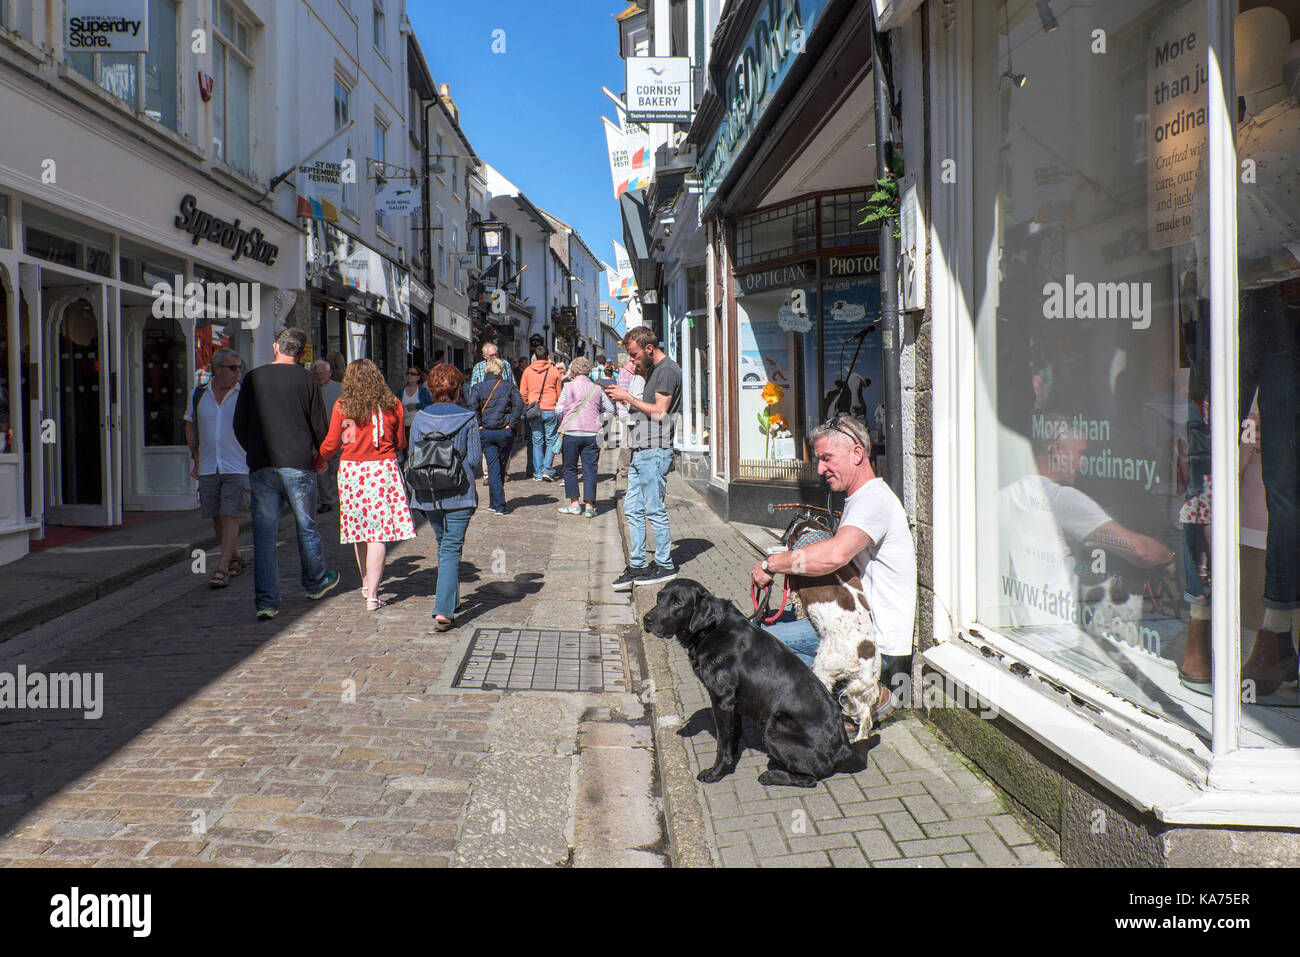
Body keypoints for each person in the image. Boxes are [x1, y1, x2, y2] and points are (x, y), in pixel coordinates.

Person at [750, 415, 917, 719]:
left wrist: (771, 563)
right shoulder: (861, 498)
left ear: (856, 453)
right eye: (818, 460)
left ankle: (869, 695)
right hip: (855, 622)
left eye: (827, 458)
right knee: (767, 630)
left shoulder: (873, 501)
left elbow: (834, 556)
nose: (820, 469)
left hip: (872, 638)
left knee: (758, 644)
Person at [233, 327, 340, 620]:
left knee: (265, 534)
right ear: (300, 352)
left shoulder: (253, 377)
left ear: (275, 347)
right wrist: (322, 457)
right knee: (305, 526)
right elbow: (319, 424)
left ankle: (267, 601)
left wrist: (252, 449)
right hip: (297, 462)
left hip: (262, 463)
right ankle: (315, 580)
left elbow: (239, 424)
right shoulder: (307, 380)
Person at [315, 359, 415, 611]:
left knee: (360, 531)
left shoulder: (342, 405)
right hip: (382, 469)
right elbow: (401, 441)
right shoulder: (393, 405)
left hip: (352, 471)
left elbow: (331, 442)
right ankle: (372, 593)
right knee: (378, 534)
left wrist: (318, 461)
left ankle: (366, 583)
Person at [605, 327, 682, 589]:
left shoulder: (667, 371)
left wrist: (627, 397)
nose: (632, 360)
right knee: (632, 509)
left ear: (649, 348)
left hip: (655, 449)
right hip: (641, 449)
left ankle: (664, 565)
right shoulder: (651, 372)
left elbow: (660, 412)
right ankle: (637, 564)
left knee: (653, 509)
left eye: (635, 354)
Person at [408, 364, 483, 632]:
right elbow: (474, 459)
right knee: (451, 549)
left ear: (431, 388)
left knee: (444, 547)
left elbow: (412, 458)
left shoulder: (420, 418)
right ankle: (443, 610)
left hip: (428, 494)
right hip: (459, 493)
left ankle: (451, 600)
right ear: (457, 388)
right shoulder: (467, 418)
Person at [185, 347, 248, 588]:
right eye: (233, 368)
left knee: (230, 515)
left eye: (239, 368)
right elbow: (189, 424)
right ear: (218, 369)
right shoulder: (198, 395)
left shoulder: (243, 395)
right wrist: (195, 456)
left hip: (238, 464)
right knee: (216, 516)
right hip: (209, 464)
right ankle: (235, 556)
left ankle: (221, 568)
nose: (237, 373)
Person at [555, 357, 614, 518]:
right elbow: (610, 409)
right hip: (592, 433)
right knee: (590, 469)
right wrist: (599, 421)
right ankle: (589, 506)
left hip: (571, 433)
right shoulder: (597, 388)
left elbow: (558, 410)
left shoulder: (567, 387)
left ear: (573, 371)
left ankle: (574, 504)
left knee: (570, 468)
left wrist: (566, 417)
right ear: (588, 371)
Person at [467, 356, 522, 516]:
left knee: (494, 468)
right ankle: (499, 504)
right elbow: (519, 404)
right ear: (501, 370)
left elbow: (472, 406)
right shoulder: (509, 386)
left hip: (487, 431)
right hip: (504, 432)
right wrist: (510, 423)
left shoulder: (478, 387)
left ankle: (495, 502)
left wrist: (479, 424)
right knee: (500, 467)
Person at [519, 344, 562, 481]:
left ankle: (537, 473)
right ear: (547, 355)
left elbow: (522, 393)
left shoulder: (527, 371)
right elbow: (559, 392)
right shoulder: (554, 371)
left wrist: (529, 403)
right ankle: (547, 468)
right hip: (550, 408)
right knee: (550, 440)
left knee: (537, 441)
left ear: (535, 356)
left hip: (534, 410)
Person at [313, 360, 343, 514]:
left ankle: (339, 496)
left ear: (329, 373)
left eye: (322, 374)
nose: (319, 377)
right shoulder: (311, 388)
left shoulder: (340, 388)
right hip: (318, 436)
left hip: (338, 434)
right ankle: (327, 500)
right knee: (322, 469)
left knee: (337, 468)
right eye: (316, 374)